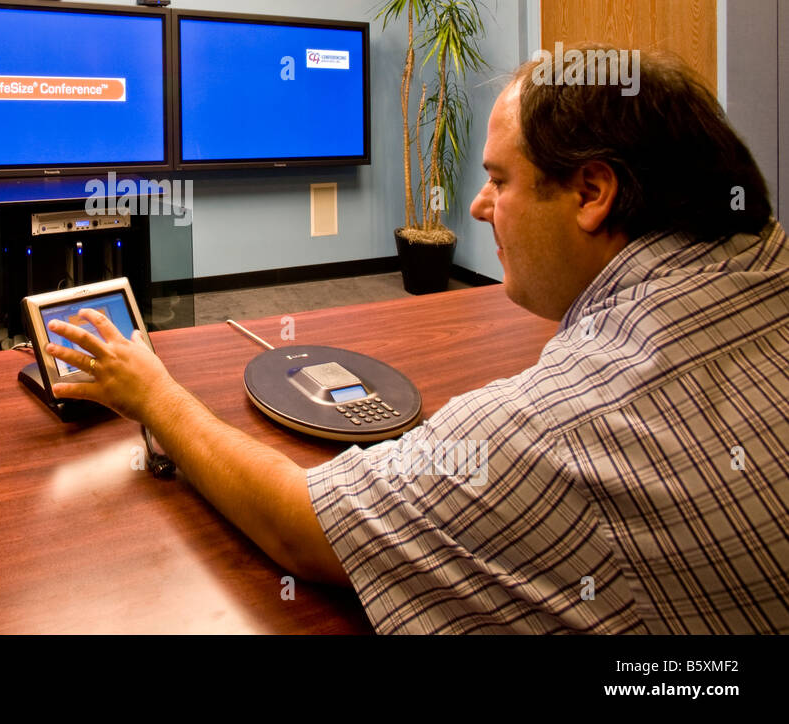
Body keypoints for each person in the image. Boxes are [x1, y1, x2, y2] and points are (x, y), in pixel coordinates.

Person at [46, 46, 789, 633]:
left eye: (500, 179)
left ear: (593, 193)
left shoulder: (553, 430)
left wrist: (155, 395)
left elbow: (295, 523)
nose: (477, 204)